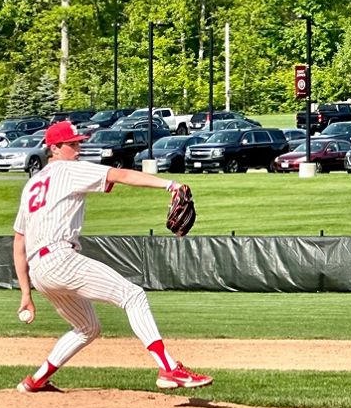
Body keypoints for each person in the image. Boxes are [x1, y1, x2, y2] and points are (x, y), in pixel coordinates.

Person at [12, 121, 212, 393]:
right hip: (60, 258)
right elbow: (122, 175)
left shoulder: (33, 184)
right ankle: (168, 369)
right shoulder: (68, 170)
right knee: (133, 295)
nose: (78, 148)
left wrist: (26, 293)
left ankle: (35, 381)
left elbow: (19, 241)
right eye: (73, 144)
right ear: (54, 148)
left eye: (79, 142)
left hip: (39, 271)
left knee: (87, 327)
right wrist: (170, 184)